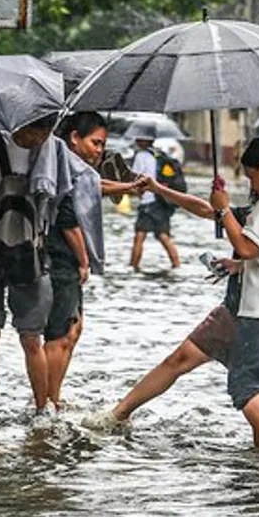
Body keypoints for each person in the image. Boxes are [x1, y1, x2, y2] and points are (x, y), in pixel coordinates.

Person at [86, 137, 259, 449]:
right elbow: (212, 214)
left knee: (250, 387)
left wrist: (224, 211)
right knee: (186, 360)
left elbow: (246, 246)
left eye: (250, 177)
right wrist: (160, 189)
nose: (251, 185)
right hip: (245, 306)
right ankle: (119, 414)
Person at [0, 113, 68, 422]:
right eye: (38, 132)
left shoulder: (50, 152)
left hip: (31, 253)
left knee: (31, 337)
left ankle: (41, 409)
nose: (41, 138)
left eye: (47, 132)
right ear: (23, 125)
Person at [44, 112, 147, 410]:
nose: (99, 150)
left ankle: (53, 397)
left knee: (73, 330)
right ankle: (46, 401)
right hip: (60, 258)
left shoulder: (75, 166)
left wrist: (126, 188)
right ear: (74, 137)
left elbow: (92, 187)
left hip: (66, 260)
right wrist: (84, 260)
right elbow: (68, 220)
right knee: (60, 334)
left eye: (103, 145)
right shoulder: (62, 163)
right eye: (95, 143)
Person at [130, 136, 181, 269]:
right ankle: (177, 265)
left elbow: (135, 178)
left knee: (139, 236)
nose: (136, 141)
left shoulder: (141, 156)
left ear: (144, 141)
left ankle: (133, 267)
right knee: (164, 235)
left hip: (148, 202)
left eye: (139, 138)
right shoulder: (159, 155)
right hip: (161, 200)